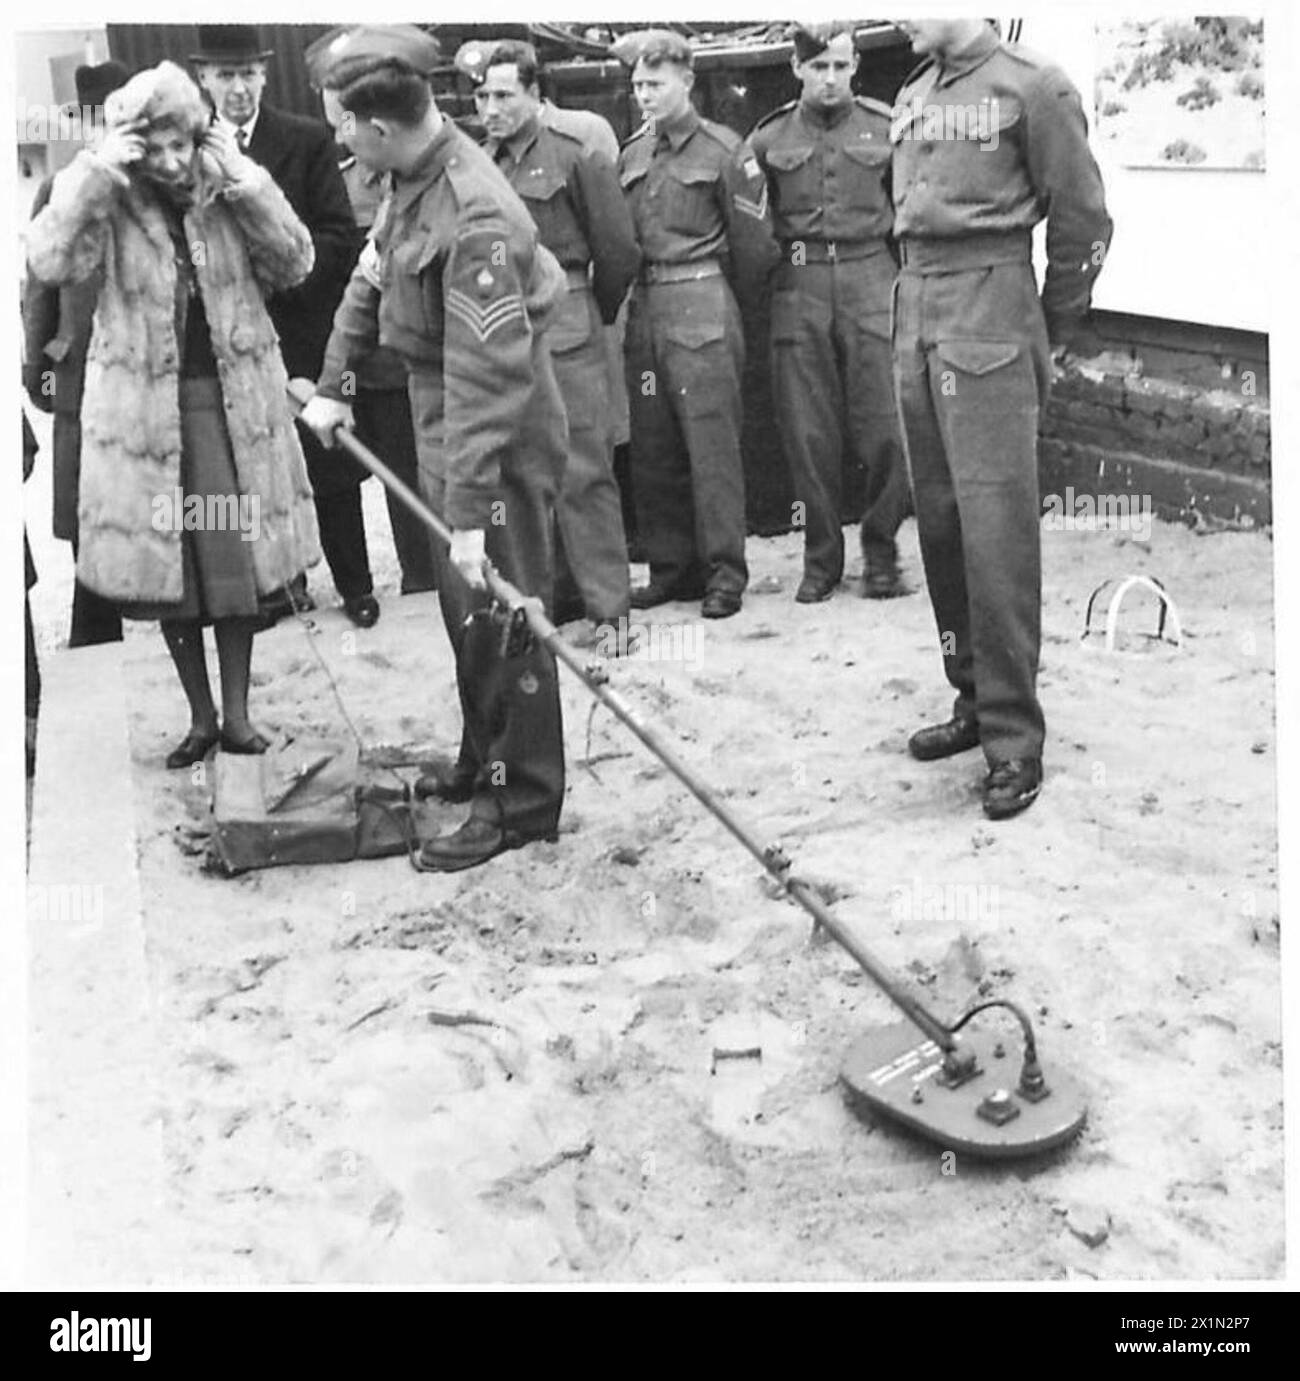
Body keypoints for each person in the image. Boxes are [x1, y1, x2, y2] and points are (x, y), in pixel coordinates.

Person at [300, 24, 569, 873]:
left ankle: (522, 798)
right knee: (467, 612)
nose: (338, 137)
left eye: (344, 123)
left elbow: (490, 380)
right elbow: (370, 278)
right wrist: (334, 381)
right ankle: (479, 753)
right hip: (436, 404)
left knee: (504, 609)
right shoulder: (407, 181)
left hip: (493, 427)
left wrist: (467, 513)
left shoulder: (473, 206)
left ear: (378, 128)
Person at [26, 61, 321, 767]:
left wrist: (247, 182)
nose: (168, 161)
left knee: (234, 566)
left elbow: (297, 261)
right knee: (175, 577)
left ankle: (241, 715)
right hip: (148, 419)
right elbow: (48, 258)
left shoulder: (227, 191)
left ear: (199, 137)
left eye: (178, 145)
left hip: (228, 410)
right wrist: (96, 173)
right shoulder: (112, 203)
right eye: (152, 147)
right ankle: (199, 717)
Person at [890, 19, 1112, 818]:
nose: (898, 16)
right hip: (915, 307)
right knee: (943, 525)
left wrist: (1043, 324)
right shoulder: (916, 90)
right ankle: (973, 700)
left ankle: (1015, 740)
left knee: (996, 536)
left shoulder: (1033, 87)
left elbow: (1084, 219)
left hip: (991, 305)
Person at [189, 24, 377, 628]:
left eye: (248, 74)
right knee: (255, 464)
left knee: (327, 458)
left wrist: (276, 275)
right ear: (204, 80)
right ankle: (280, 586)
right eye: (226, 76)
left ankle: (356, 583)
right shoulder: (189, 154)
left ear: (265, 75)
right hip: (232, 342)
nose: (238, 88)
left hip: (299, 330)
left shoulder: (305, 139)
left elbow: (338, 237)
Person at [475, 39, 640, 633]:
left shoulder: (574, 155)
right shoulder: (479, 164)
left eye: (503, 94)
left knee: (582, 470)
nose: (490, 107)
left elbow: (618, 250)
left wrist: (592, 310)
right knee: (524, 471)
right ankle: (552, 599)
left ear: (535, 95)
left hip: (567, 317)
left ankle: (610, 613)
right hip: (502, 325)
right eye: (482, 95)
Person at [743, 23, 911, 603]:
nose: (831, 78)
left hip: (872, 275)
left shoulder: (888, 128)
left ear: (856, 65)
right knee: (807, 430)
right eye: (819, 68)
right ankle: (821, 561)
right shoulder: (767, 139)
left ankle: (882, 553)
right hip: (799, 280)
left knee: (886, 425)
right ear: (797, 69)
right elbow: (751, 226)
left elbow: (910, 209)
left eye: (840, 66)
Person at [614, 29, 778, 620]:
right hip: (646, 310)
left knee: (711, 446)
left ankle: (724, 573)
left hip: (701, 301)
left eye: (655, 84)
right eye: (637, 85)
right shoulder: (632, 153)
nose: (645, 96)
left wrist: (724, 304)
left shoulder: (724, 150)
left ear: (686, 81)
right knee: (653, 446)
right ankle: (671, 568)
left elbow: (757, 248)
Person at [22, 60, 130, 648]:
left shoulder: (153, 184)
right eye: (96, 120)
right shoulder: (57, 189)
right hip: (79, 367)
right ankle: (95, 620)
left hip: (140, 365)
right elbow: (39, 284)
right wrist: (36, 364)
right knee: (85, 497)